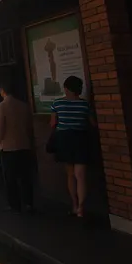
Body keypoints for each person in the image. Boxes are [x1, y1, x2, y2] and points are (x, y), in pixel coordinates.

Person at [50, 75, 96, 218]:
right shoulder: (85, 104)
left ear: (66, 88)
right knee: (81, 176)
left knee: (70, 174)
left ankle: (74, 205)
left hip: (65, 140)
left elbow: (53, 123)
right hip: (81, 139)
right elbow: (93, 123)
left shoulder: (57, 104)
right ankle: (82, 208)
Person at [0, 82, 34, 213]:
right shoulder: (24, 106)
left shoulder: (1, 107)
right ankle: (28, 202)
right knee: (25, 177)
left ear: (2, 91)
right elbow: (29, 126)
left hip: (8, 147)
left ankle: (14, 205)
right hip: (24, 145)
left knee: (10, 178)